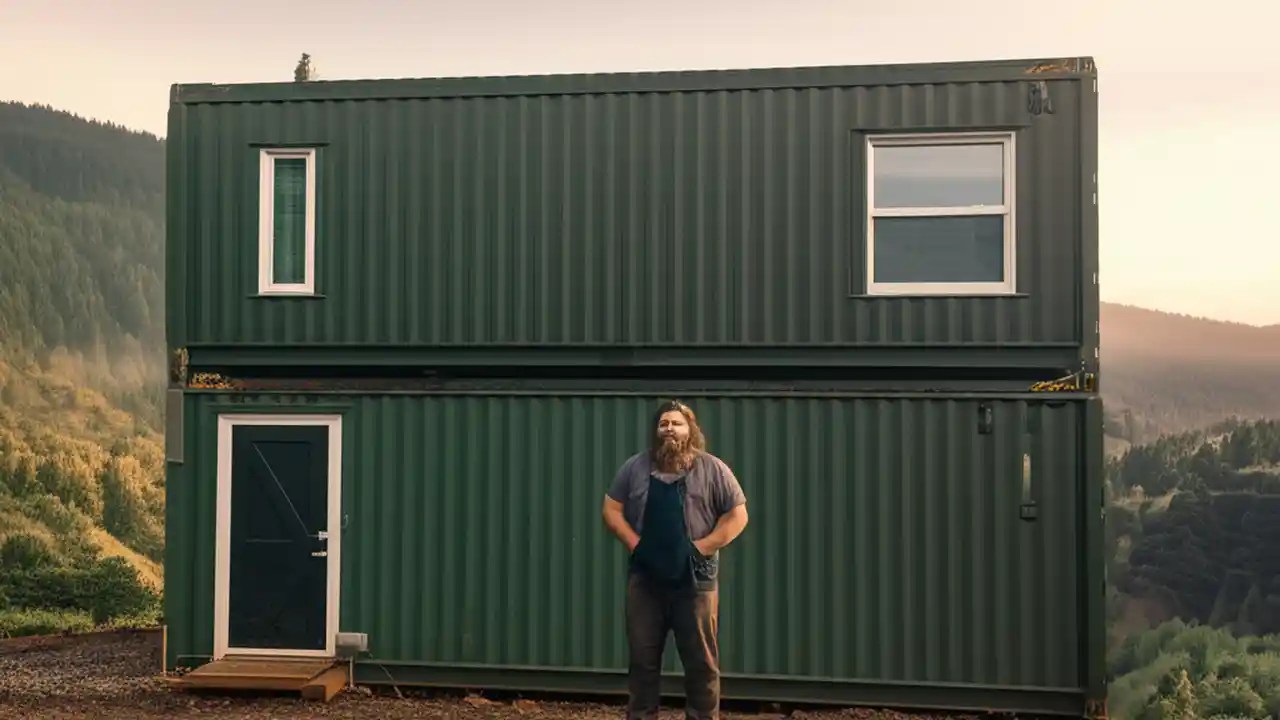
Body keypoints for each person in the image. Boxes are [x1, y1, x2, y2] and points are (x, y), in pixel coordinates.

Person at [602, 400, 749, 720]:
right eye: (663, 424)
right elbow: (611, 509)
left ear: (690, 430)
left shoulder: (713, 469)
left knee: (701, 664)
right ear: (656, 432)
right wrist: (634, 542)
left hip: (695, 582)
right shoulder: (634, 468)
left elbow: (738, 515)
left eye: (676, 423)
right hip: (645, 582)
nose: (669, 428)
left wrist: (704, 546)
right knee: (642, 662)